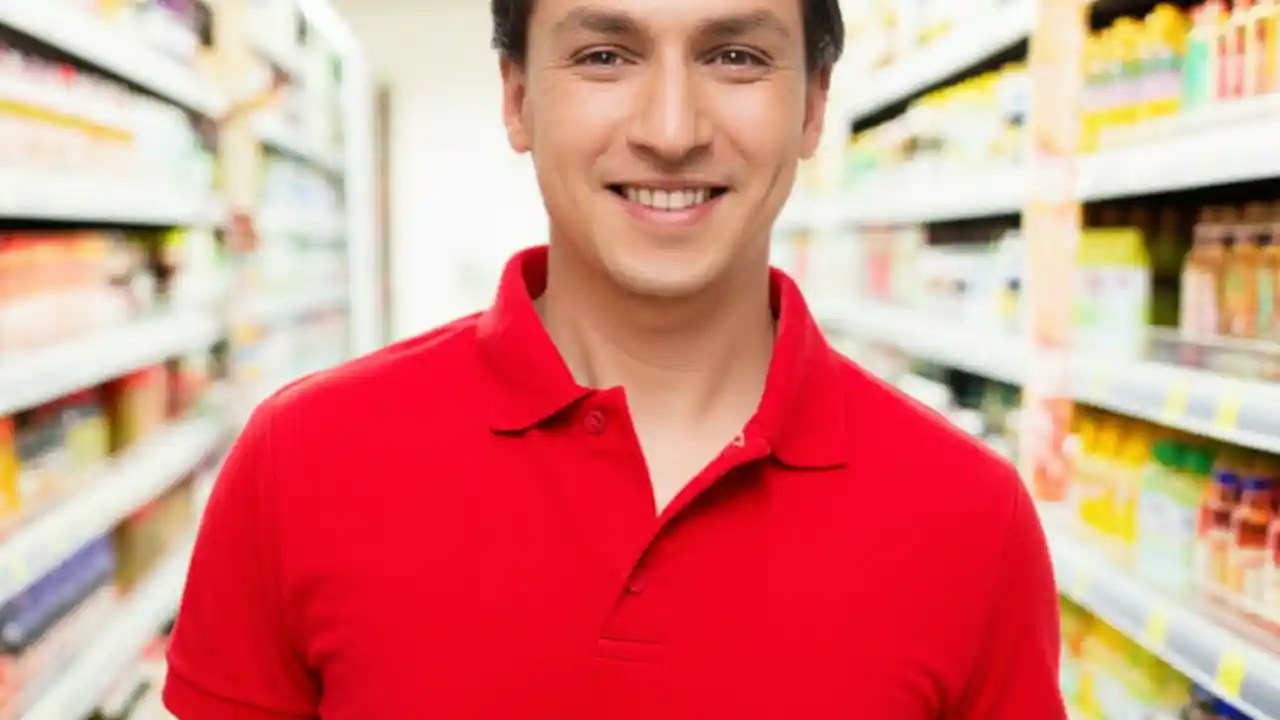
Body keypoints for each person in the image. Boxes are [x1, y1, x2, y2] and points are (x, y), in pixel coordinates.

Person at [164, 0, 1068, 717]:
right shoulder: (304, 460)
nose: (671, 129)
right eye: (605, 54)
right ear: (516, 97)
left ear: (814, 106)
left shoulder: (970, 519)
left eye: (736, 56)